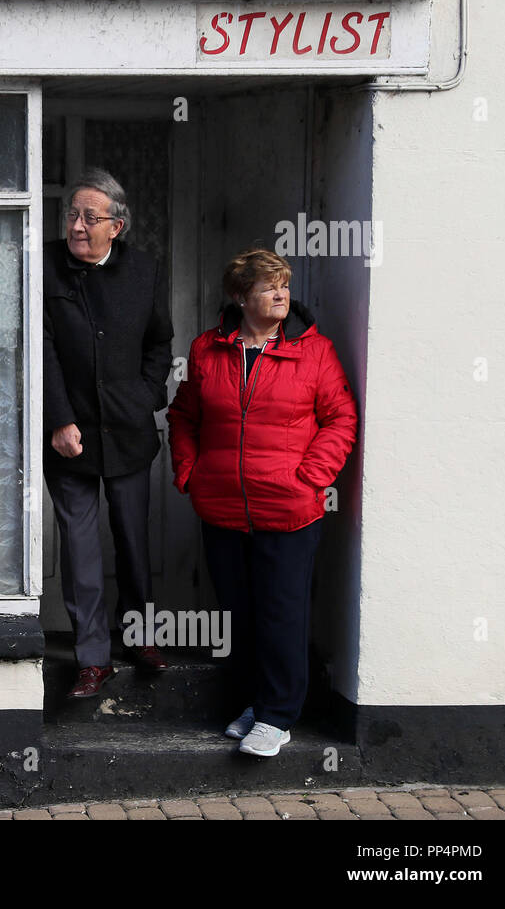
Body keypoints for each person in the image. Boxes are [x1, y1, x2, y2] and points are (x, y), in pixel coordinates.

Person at [166, 248, 357, 756]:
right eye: (269, 286)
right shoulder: (208, 350)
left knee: (282, 614)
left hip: (290, 509)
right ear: (240, 296)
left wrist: (312, 477)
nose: (280, 294)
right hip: (223, 508)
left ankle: (278, 716)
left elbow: (341, 417)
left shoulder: (313, 352)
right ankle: (257, 704)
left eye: (284, 286)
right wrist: (190, 471)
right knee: (242, 614)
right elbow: (184, 416)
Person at [42, 168, 174, 698]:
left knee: (133, 542)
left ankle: (139, 636)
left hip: (128, 430)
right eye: (72, 215)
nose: (76, 226)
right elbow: (40, 346)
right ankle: (93, 657)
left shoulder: (144, 271)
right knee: (79, 551)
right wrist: (58, 418)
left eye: (89, 218)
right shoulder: (45, 264)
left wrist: (145, 395)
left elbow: (159, 343)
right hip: (68, 434)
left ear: (115, 227)